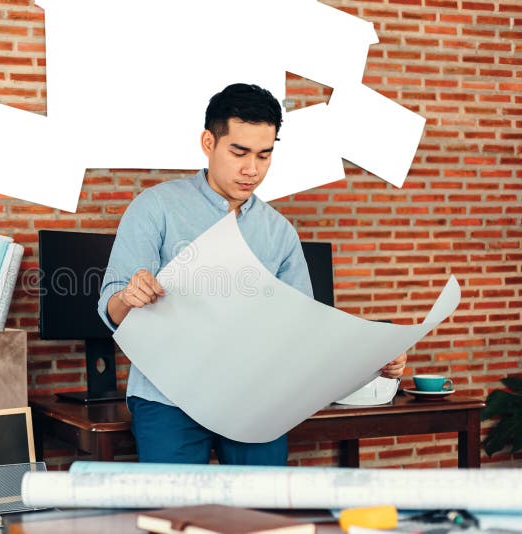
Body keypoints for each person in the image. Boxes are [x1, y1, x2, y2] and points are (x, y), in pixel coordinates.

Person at [97, 83, 407, 465]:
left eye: (264, 155)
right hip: (168, 396)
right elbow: (111, 310)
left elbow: (306, 332)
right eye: (239, 152)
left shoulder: (279, 233)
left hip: (252, 401)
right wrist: (128, 297)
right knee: (173, 515)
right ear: (208, 142)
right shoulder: (156, 208)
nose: (251, 170)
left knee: (261, 512)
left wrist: (373, 358)